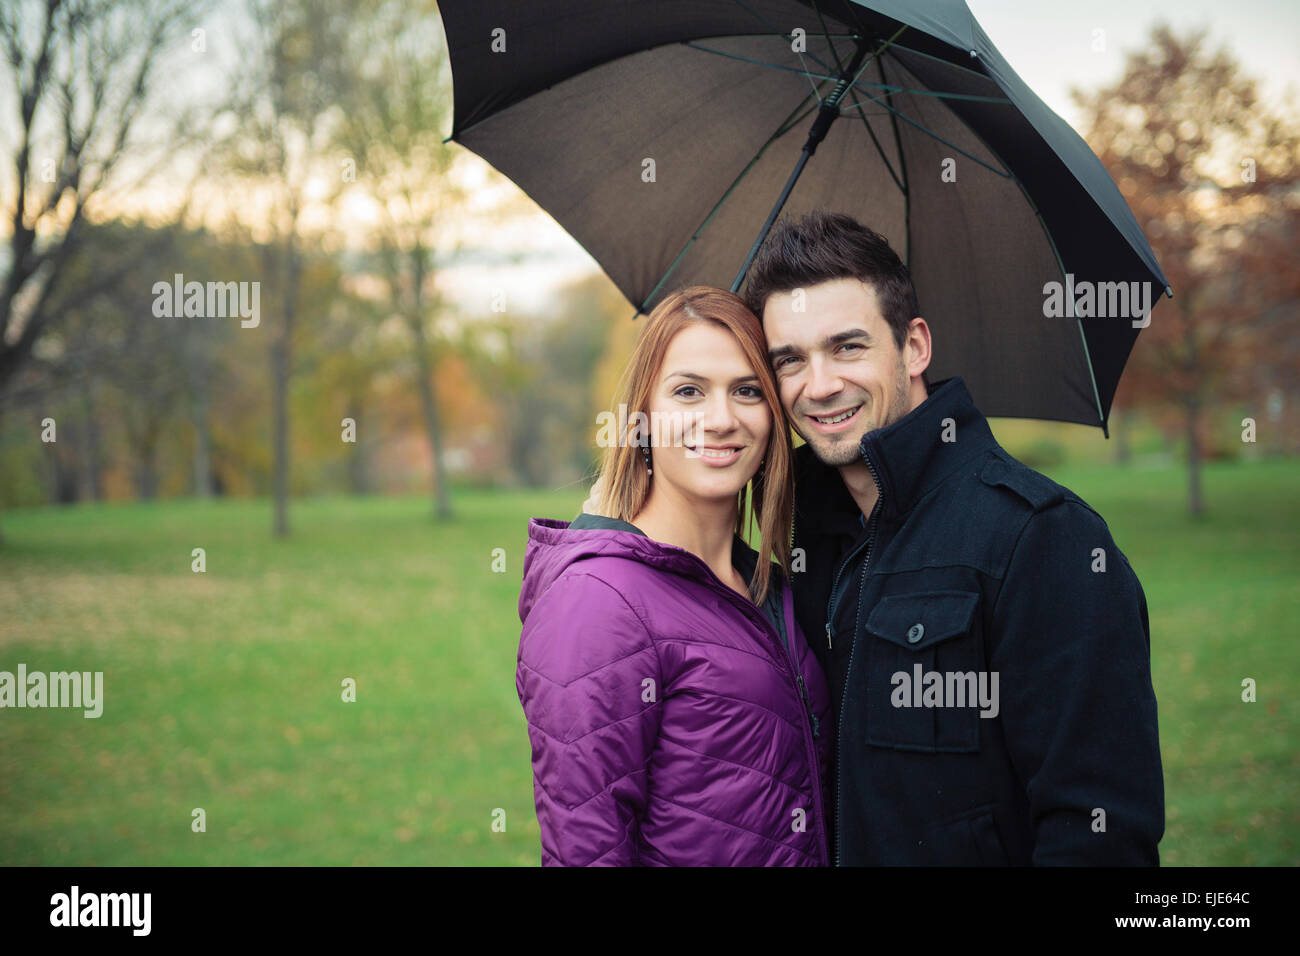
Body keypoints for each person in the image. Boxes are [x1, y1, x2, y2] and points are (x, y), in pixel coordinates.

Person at [584, 211, 1164, 865]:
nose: (821, 384)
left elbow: (1099, 832)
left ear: (914, 346)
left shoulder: (1041, 540)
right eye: (790, 360)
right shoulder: (808, 551)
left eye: (848, 347)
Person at [516, 286, 831, 866]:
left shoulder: (770, 587)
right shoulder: (600, 602)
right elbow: (587, 851)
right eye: (689, 391)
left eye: (747, 391)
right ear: (642, 419)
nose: (720, 420)